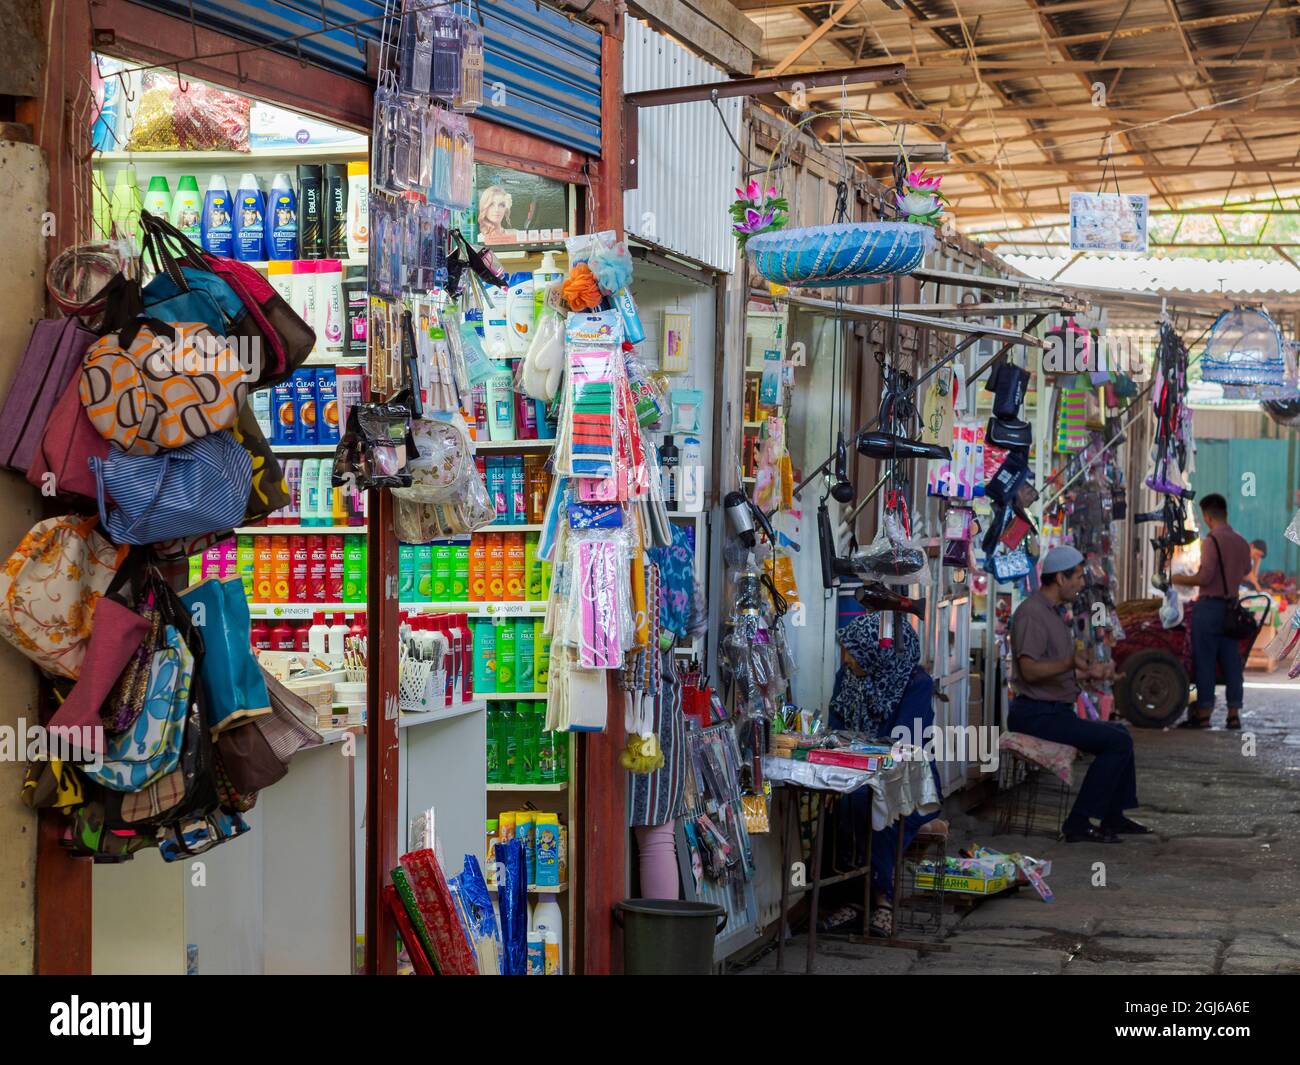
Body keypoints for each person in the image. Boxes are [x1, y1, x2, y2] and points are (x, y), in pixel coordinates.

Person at [1008, 545, 1147, 844]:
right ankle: (1079, 822)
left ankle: (1112, 817)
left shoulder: (1055, 614)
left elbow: (1054, 669)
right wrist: (1071, 663)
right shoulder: (1032, 614)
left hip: (1054, 710)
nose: (1082, 583)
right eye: (1078, 577)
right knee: (1115, 742)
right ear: (1060, 578)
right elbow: (1030, 671)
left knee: (1119, 734)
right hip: (1036, 714)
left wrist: (1089, 673)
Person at [827, 613, 943, 937]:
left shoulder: (916, 683)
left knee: (877, 804)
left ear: (877, 653)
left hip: (910, 779)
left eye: (852, 652)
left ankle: (881, 900)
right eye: (846, 651)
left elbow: (907, 744)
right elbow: (836, 729)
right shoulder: (847, 678)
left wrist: (866, 756)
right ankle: (853, 897)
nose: (847, 660)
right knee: (847, 801)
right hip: (858, 771)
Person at [1169, 493, 1252, 729]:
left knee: (1204, 661)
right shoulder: (1241, 542)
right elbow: (1245, 570)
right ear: (1225, 513)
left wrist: (1179, 578)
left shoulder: (1211, 542)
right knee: (1232, 662)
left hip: (1209, 609)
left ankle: (1204, 713)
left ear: (1207, 517)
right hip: (1232, 609)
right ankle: (1233, 713)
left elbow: (1205, 577)